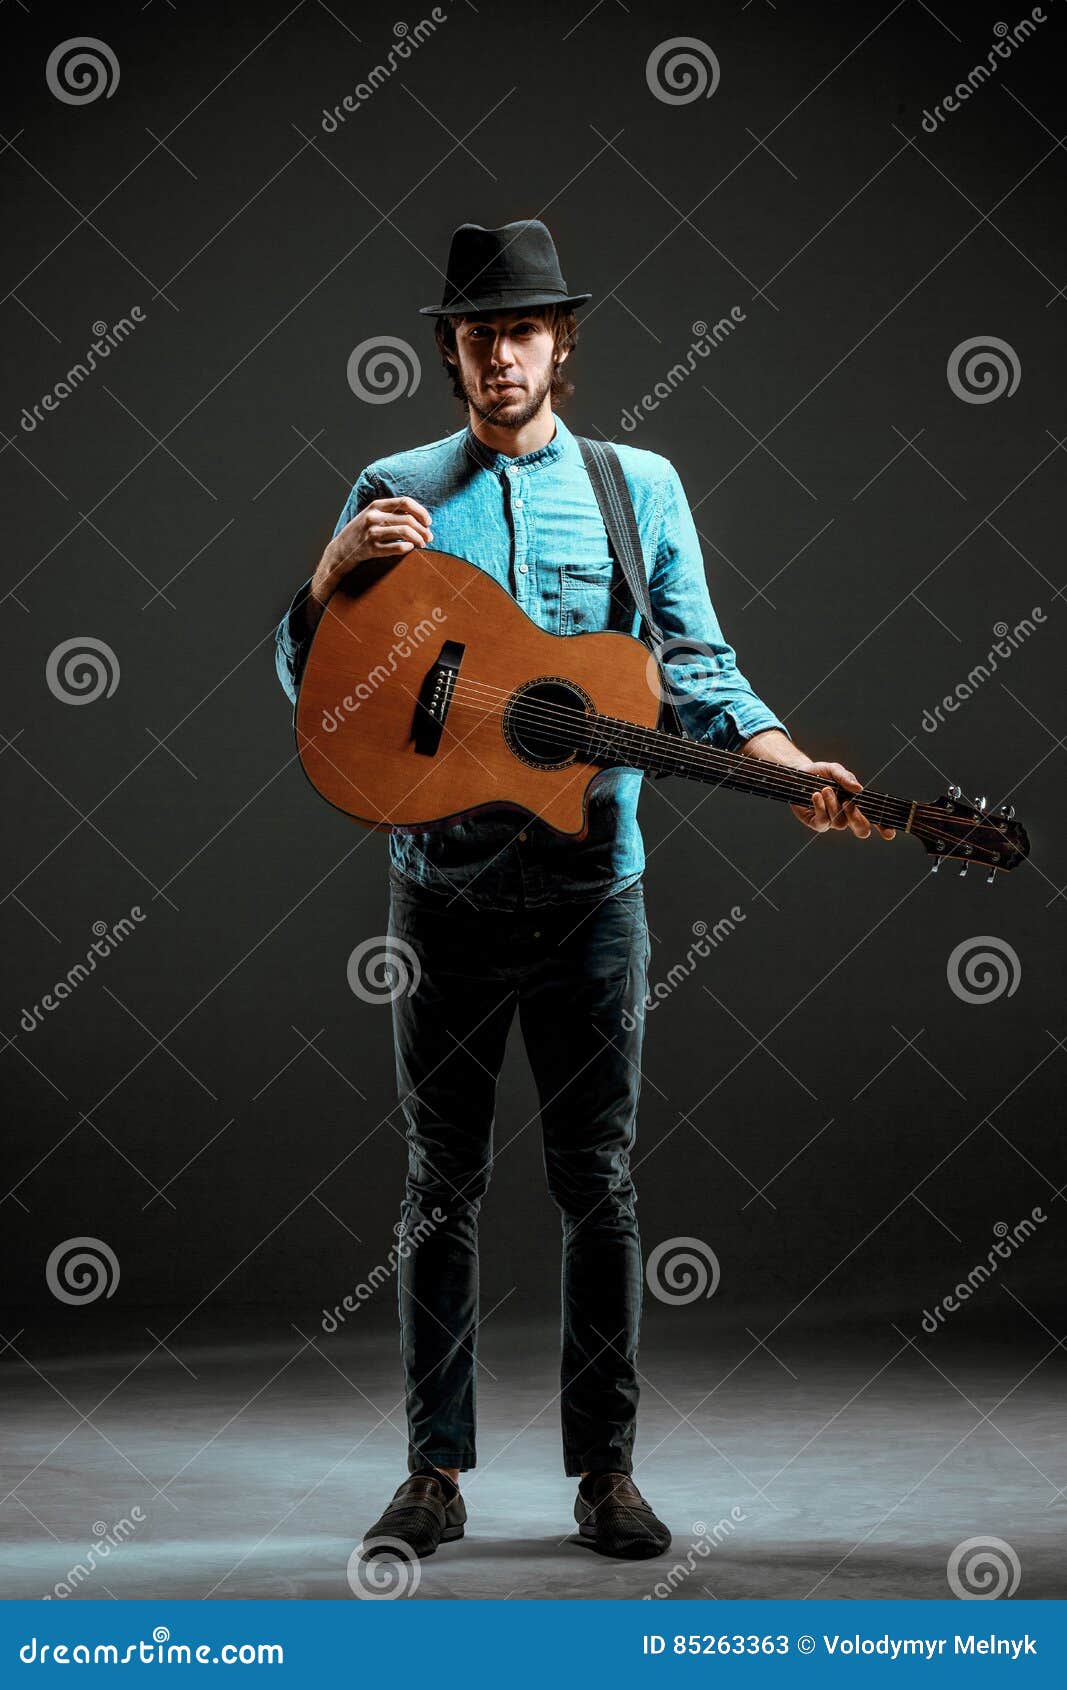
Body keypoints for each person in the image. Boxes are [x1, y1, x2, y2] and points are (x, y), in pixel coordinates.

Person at [274, 220, 894, 1564]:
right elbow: (317, 690)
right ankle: (432, 1473)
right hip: (442, 895)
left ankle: (605, 1472)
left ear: (562, 345)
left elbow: (700, 668)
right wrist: (330, 578)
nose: (502, 354)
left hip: (593, 896)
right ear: (452, 352)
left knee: (597, 1183)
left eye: (525, 331)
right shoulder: (393, 483)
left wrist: (791, 768)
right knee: (440, 1186)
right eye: (478, 334)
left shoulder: (638, 489)